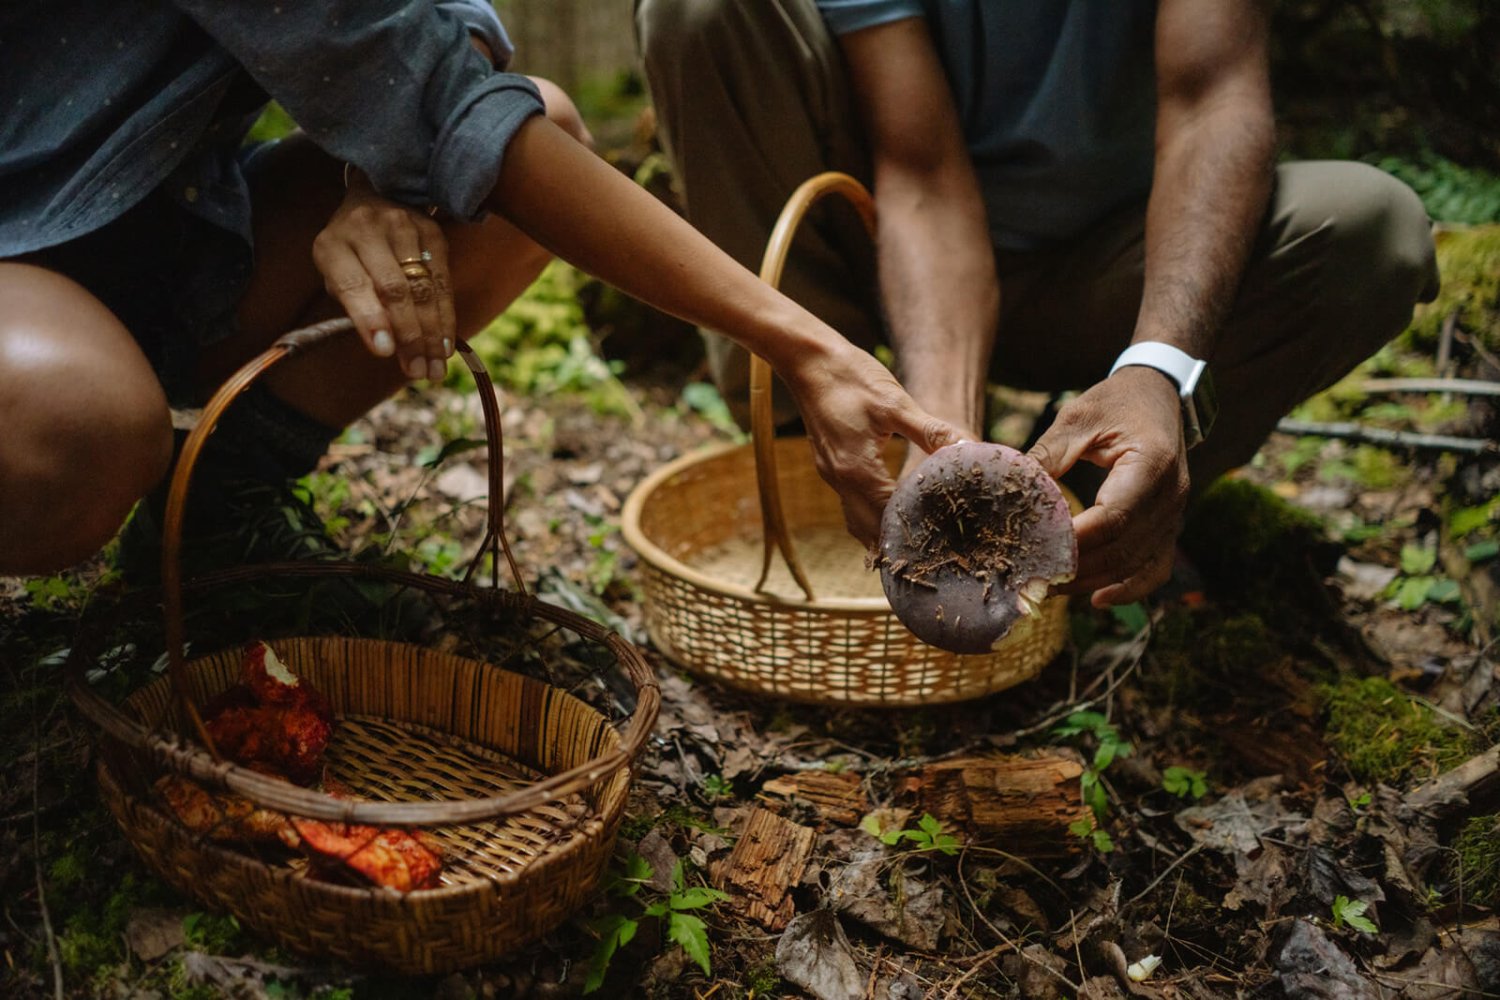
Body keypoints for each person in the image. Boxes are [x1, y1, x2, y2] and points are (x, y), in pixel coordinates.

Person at [0, 0, 965, 578]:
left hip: (155, 238)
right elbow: (449, 106)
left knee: (536, 122)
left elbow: (459, 38)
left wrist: (370, 179)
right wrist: (804, 347)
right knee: (79, 426)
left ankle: (210, 527)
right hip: (24, 242)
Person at [635, 0, 1442, 608]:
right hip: (895, 256)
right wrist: (940, 440)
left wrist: (1157, 365)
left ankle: (1098, 535)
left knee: (1372, 230)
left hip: (1113, 270)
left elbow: (1213, 102)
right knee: (699, 10)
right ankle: (827, 464)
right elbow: (921, 165)